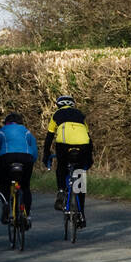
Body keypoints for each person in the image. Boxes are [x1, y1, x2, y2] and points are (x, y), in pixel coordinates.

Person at [43, 95, 93, 227]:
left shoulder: (57, 114)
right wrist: (89, 158)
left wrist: (46, 154)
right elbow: (88, 137)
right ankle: (81, 214)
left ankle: (60, 191)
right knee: (80, 176)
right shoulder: (80, 115)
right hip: (83, 145)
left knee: (61, 167)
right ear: (73, 105)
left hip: (64, 144)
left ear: (58, 105)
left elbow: (49, 137)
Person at [0, 113, 38, 227]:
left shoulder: (1, 131)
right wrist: (31, 163)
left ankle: (5, 204)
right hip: (26, 158)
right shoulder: (26, 132)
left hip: (7, 158)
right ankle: (27, 215)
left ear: (6, 123)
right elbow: (34, 151)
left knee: (4, 184)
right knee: (25, 187)